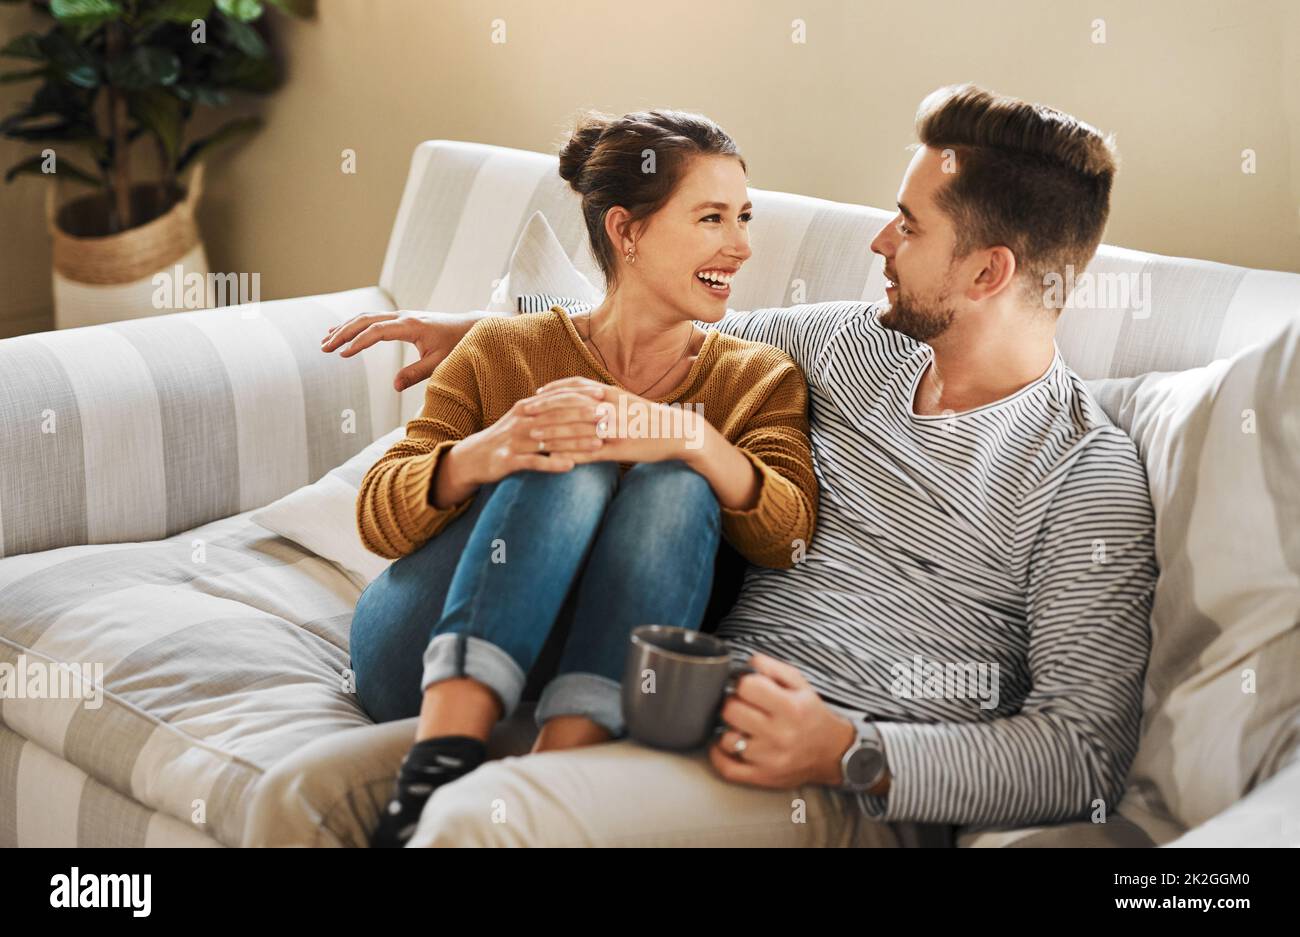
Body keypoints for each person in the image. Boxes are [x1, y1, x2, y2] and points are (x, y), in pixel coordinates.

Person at [323, 83, 1159, 847]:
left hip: (828, 787)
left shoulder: (1085, 475)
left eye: (907, 225)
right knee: (309, 794)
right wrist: (475, 327)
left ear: (988, 271)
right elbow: (657, 326)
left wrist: (848, 751)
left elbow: (1084, 758)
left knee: (481, 825)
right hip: (664, 704)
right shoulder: (853, 343)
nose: (878, 241)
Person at [343, 109, 818, 847]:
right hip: (418, 654)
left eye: (744, 218)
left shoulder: (756, 377)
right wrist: (492, 449)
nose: (742, 246)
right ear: (627, 232)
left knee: (678, 476)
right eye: (712, 218)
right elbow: (378, 515)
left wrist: (691, 436)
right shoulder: (503, 348)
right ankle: (433, 769)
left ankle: (557, 769)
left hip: (600, 666)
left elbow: (787, 536)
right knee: (566, 443)